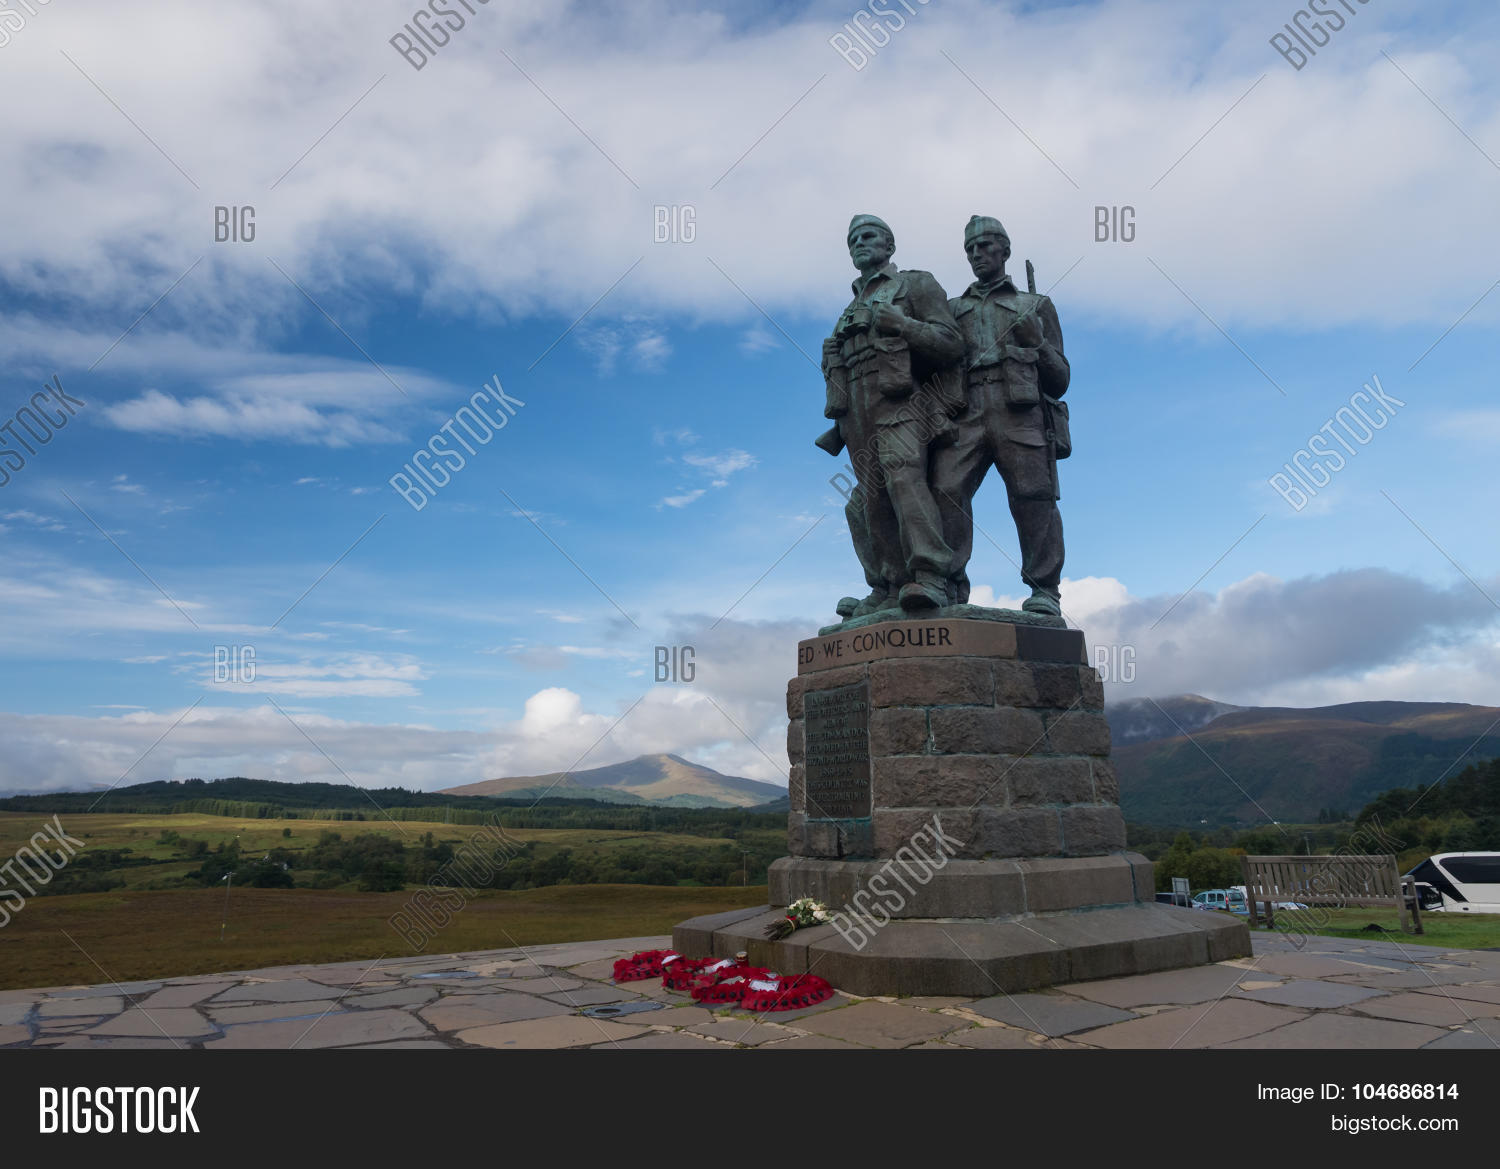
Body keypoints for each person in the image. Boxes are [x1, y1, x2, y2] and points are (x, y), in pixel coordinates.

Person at [820, 214, 965, 617]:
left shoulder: (916, 284)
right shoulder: (849, 308)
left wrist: (903, 325)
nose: (860, 244)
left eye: (869, 236)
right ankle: (889, 585)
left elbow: (951, 344)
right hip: (856, 408)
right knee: (868, 498)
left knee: (903, 475)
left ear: (889, 245)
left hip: (901, 400)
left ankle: (931, 575)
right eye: (853, 241)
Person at [932, 215, 1070, 616]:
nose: (977, 254)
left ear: (1005, 250)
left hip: (1019, 409)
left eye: (986, 245)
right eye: (970, 248)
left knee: (1033, 498)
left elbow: (1060, 379)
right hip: (966, 409)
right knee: (945, 490)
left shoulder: (1036, 305)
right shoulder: (952, 309)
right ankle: (949, 585)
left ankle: (1044, 590)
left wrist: (1038, 343)